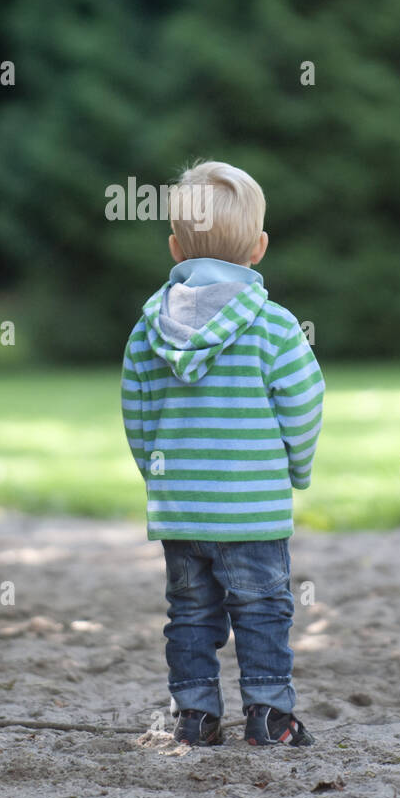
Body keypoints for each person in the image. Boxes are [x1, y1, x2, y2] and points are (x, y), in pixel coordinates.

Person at [121, 161, 325, 747]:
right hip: (253, 511)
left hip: (182, 510)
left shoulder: (148, 330)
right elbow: (304, 403)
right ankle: (268, 715)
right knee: (262, 612)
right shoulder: (274, 326)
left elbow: (138, 415)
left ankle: (196, 716)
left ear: (175, 246)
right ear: (258, 248)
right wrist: (297, 467)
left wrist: (159, 475)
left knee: (190, 615)